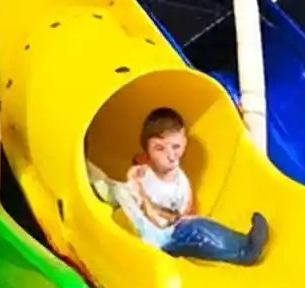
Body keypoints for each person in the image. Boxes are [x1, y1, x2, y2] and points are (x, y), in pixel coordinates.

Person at [111, 107, 268, 265]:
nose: (170, 156)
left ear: (184, 144)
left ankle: (243, 249)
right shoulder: (141, 173)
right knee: (118, 191)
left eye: (176, 147)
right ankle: (242, 249)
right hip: (148, 234)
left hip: (167, 235)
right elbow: (131, 191)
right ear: (147, 150)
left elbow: (180, 217)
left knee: (197, 228)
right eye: (159, 148)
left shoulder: (180, 183)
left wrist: (164, 214)